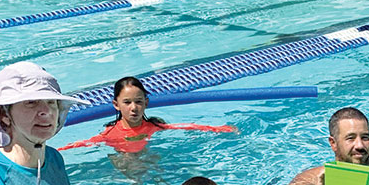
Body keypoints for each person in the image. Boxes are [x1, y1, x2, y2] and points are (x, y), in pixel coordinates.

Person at [59, 76, 237, 154]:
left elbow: (184, 126)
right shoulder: (110, 132)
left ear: (146, 103)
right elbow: (85, 143)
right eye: (127, 103)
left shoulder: (153, 126)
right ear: (116, 105)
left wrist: (216, 129)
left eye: (138, 101)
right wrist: (56, 152)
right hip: (126, 164)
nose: (134, 108)